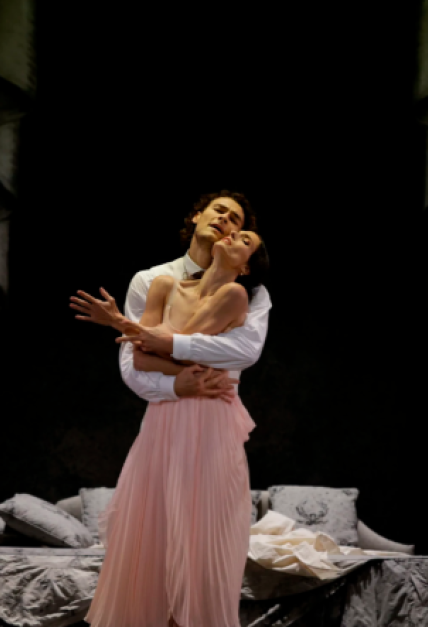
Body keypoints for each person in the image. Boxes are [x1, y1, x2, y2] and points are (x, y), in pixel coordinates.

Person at [70, 190, 271, 627]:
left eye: (238, 222)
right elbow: (135, 364)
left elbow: (243, 353)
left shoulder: (249, 293)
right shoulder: (154, 280)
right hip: (166, 420)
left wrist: (137, 331)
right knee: (153, 546)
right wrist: (177, 382)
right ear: (196, 216)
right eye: (219, 210)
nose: (227, 221)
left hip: (216, 420)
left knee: (206, 546)